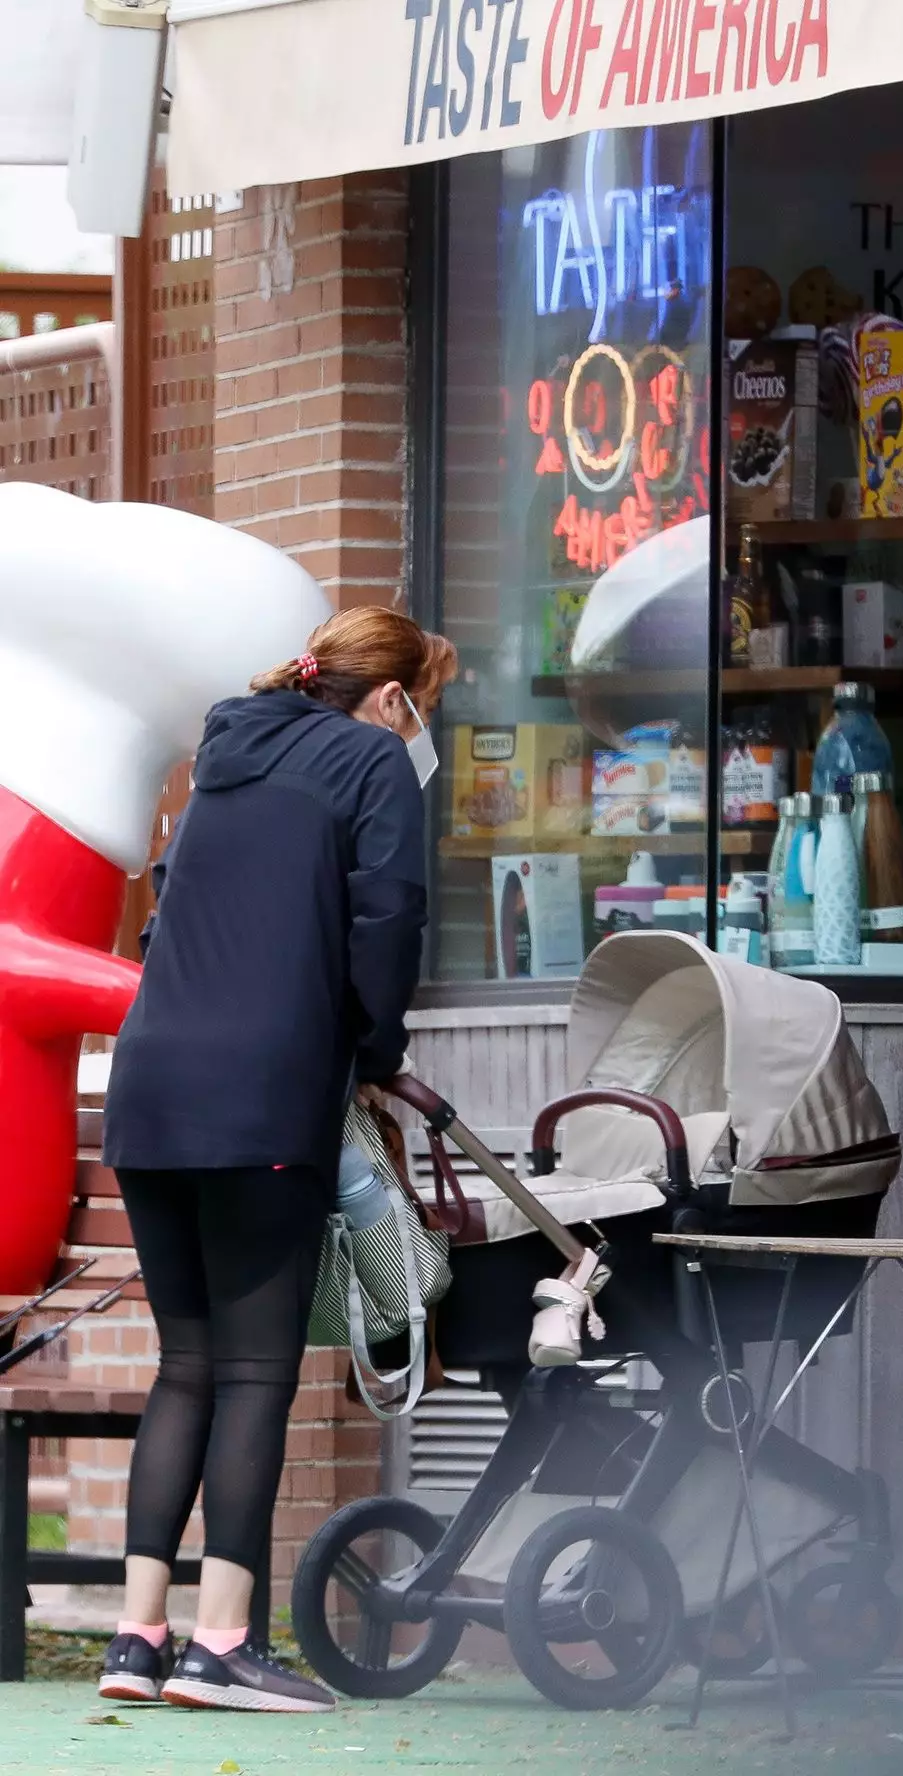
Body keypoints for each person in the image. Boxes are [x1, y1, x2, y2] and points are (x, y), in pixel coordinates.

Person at [97, 607, 456, 1714]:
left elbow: (165, 920)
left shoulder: (226, 752)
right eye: (429, 707)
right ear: (393, 699)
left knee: (186, 1365)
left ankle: (137, 1637)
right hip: (262, 1092)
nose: (426, 729)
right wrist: (374, 1049)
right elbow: (387, 921)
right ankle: (222, 1646)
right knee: (255, 1372)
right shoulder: (372, 759)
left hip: (150, 1085)